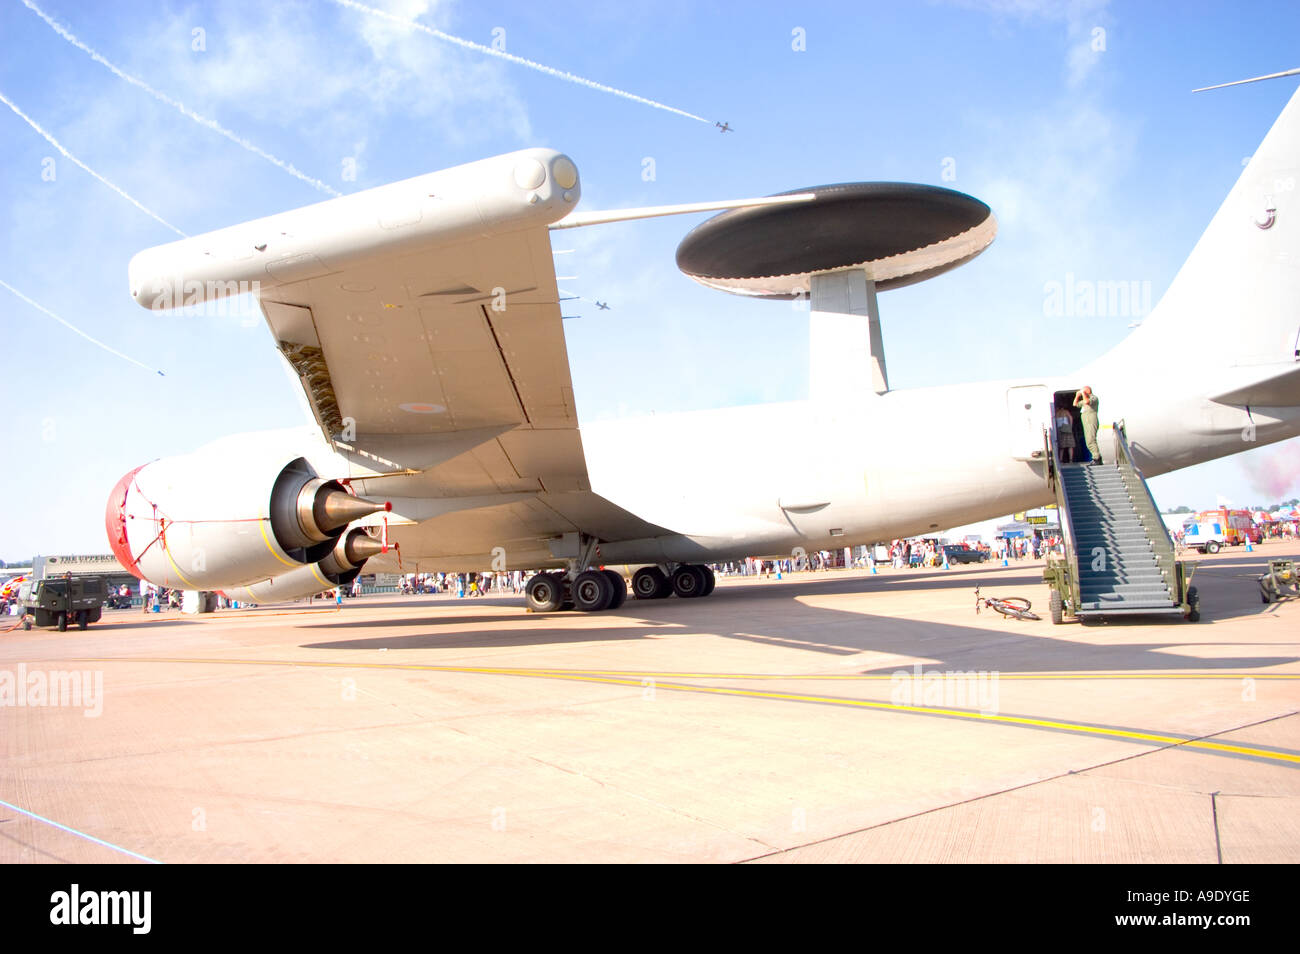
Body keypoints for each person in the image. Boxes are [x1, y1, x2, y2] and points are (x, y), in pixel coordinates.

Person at [1073, 386, 1102, 465]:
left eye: (1084, 390)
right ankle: (1095, 457)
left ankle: (1097, 458)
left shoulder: (1093, 398)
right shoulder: (1084, 399)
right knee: (1088, 441)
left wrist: (1083, 393)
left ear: (1088, 391)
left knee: (1091, 440)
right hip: (1086, 423)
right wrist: (1077, 396)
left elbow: (1086, 402)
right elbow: (1075, 404)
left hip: (1091, 421)